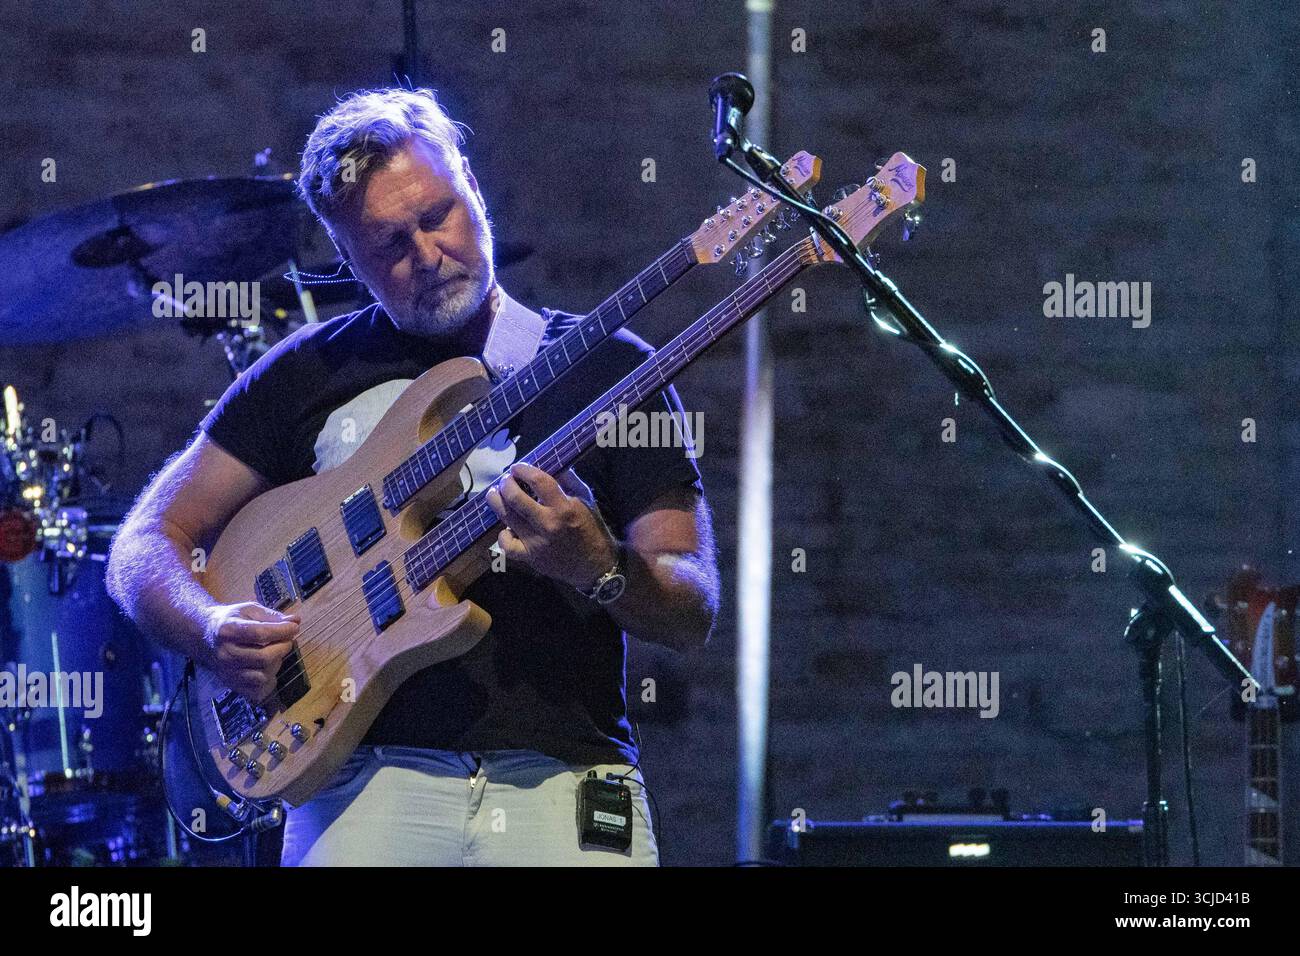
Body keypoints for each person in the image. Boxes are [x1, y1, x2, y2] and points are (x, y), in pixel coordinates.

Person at [106, 87, 719, 866]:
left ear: (471, 182)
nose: (427, 257)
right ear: (350, 262)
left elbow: (690, 610)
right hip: (360, 776)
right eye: (389, 246)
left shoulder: (611, 366)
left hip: (566, 774)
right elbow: (145, 542)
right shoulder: (306, 373)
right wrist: (210, 628)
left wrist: (598, 568)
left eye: (438, 216)